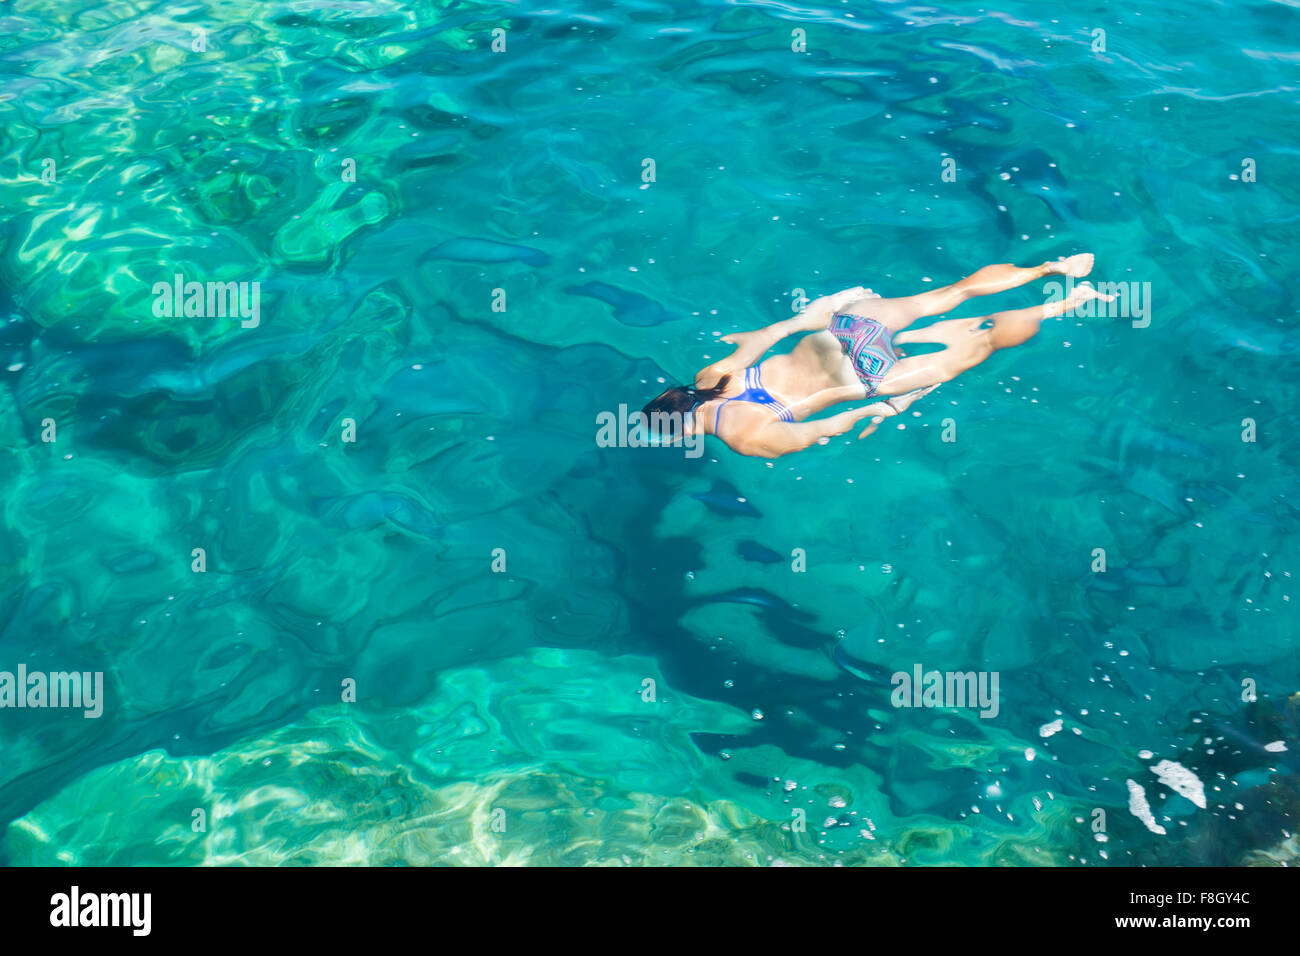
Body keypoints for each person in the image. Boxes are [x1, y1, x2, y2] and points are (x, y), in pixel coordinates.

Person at [642, 255, 1112, 458]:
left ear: (679, 434)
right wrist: (815, 314)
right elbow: (766, 336)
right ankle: (1050, 268)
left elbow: (825, 428)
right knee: (951, 293)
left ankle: (1061, 305)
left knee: (985, 339)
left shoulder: (743, 439)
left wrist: (883, 407)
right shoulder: (710, 376)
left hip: (869, 377)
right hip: (843, 331)